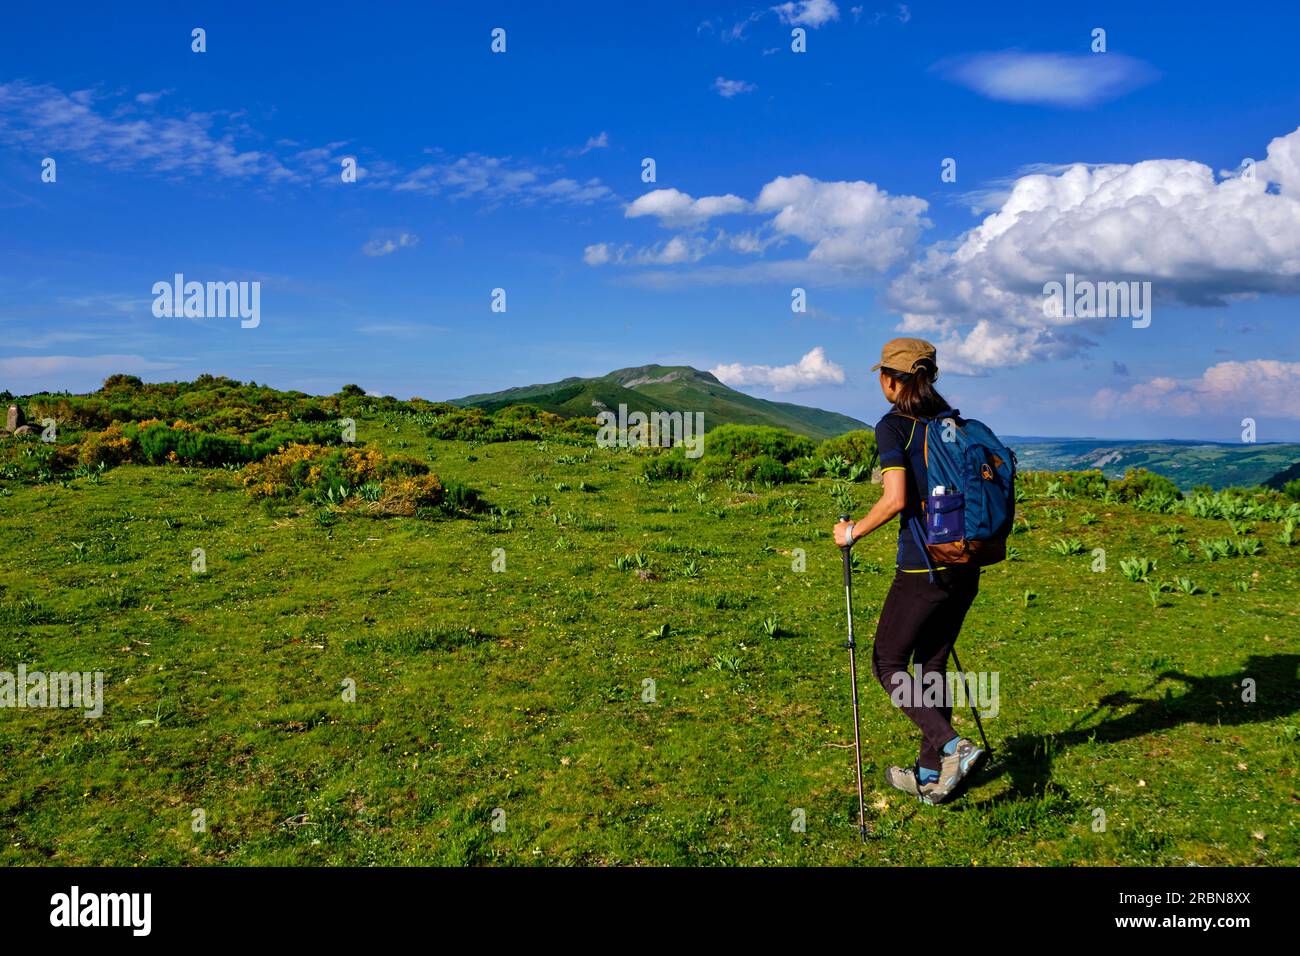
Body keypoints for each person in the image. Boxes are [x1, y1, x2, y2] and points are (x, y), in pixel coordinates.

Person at [833, 337, 987, 805]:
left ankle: (952, 747)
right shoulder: (953, 424)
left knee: (887, 662)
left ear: (891, 378)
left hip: (924, 566)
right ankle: (930, 774)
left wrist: (852, 531)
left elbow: (896, 498)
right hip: (967, 561)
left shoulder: (894, 427)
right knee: (932, 663)